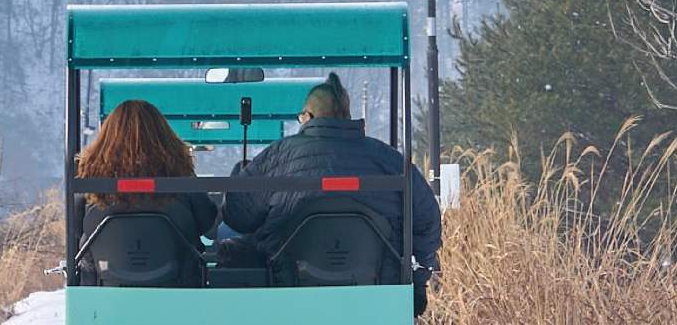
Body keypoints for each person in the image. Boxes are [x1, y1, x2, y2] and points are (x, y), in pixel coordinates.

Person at [219, 74, 442, 291]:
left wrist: (240, 173)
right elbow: (428, 222)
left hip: (285, 288)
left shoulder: (276, 158)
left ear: (308, 117)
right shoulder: (391, 161)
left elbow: (237, 217)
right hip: (377, 289)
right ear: (346, 115)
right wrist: (417, 281)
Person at [76, 99, 218, 253]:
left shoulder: (90, 181)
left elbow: (77, 228)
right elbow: (207, 222)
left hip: (105, 273)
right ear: (163, 136)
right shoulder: (180, 176)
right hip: (178, 273)